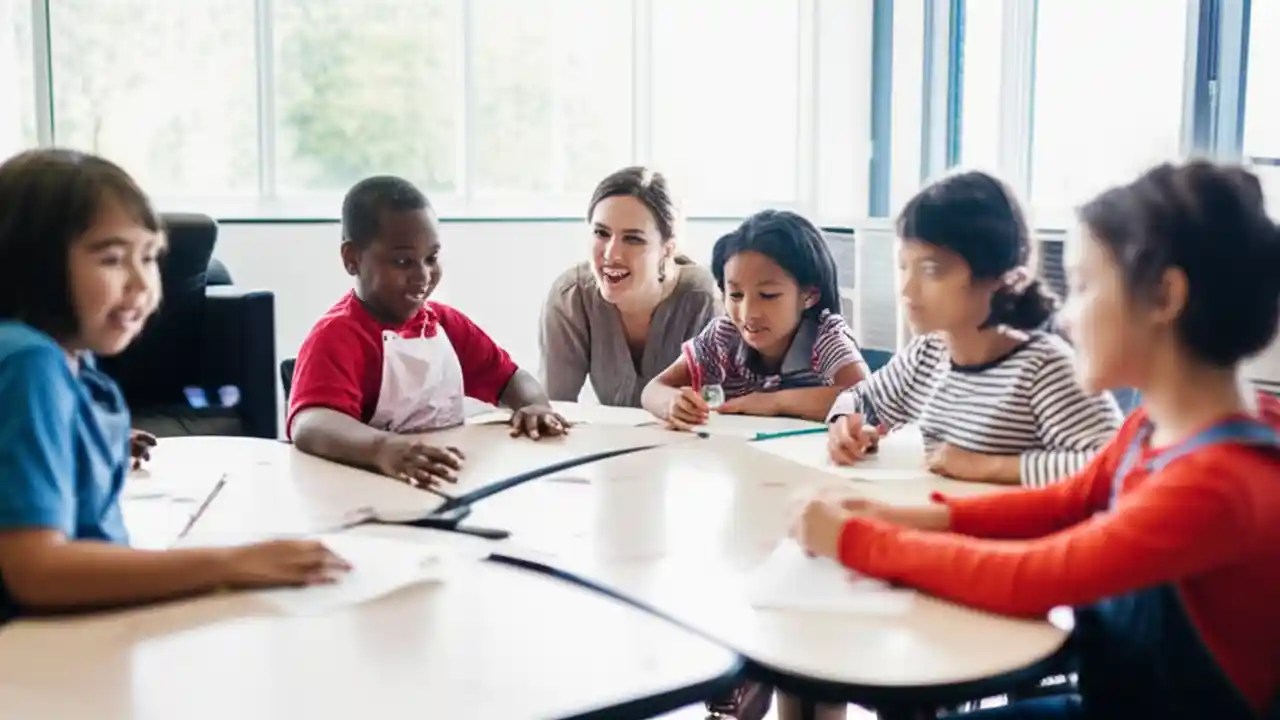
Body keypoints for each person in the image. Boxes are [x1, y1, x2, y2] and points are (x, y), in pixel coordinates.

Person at [794, 161, 1280, 719]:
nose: (1066, 318)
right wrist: (898, 516)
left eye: (1084, 287)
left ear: (1164, 297)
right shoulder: (1152, 426)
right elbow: (1063, 503)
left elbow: (1036, 576)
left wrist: (854, 539)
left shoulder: (1216, 484)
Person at [0, 149, 349, 622]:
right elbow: (36, 570)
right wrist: (234, 564)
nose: (142, 283)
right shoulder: (30, 362)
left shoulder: (71, 359)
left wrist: (87, 441)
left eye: (148, 257)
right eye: (112, 258)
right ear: (31, 263)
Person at [826, 171, 1121, 487]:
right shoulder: (927, 354)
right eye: (903, 266)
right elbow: (858, 399)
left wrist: (989, 466)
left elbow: (1115, 465)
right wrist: (845, 425)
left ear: (1000, 276)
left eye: (932, 270)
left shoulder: (1044, 368)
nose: (907, 289)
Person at [289, 176, 566, 490]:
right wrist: (382, 449)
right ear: (352, 259)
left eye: (431, 259)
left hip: (442, 480)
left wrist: (535, 405)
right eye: (403, 261)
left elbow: (512, 379)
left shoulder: (445, 324)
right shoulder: (337, 335)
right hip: (366, 490)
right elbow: (311, 423)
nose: (422, 275)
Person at [642, 209, 868, 427]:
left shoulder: (825, 337)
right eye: (736, 295)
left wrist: (773, 402)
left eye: (768, 295)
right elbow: (653, 390)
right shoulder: (723, 336)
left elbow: (866, 399)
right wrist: (671, 403)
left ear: (809, 295)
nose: (748, 312)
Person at [540, 166, 721, 407]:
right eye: (601, 233)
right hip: (609, 433)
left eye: (633, 239)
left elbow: (718, 409)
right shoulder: (571, 297)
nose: (611, 254)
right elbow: (555, 407)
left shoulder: (704, 300)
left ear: (667, 250)